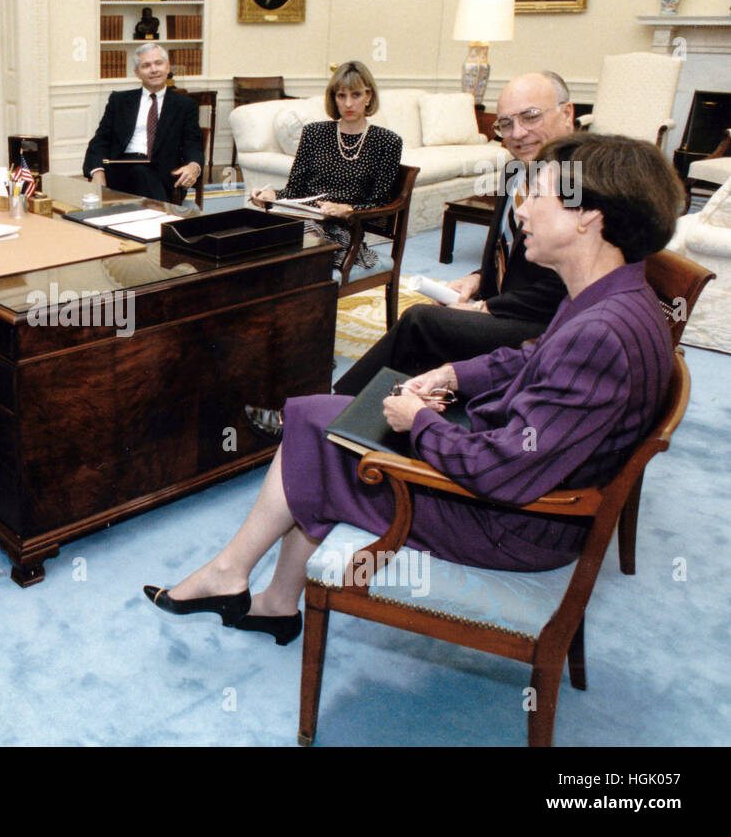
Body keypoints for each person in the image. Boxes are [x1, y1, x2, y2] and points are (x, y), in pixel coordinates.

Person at [145, 133, 681, 646]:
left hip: (510, 523)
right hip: (522, 493)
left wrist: (418, 423)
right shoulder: (611, 295)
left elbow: (504, 470)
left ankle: (235, 577)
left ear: (589, 216)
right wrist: (452, 375)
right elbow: (532, 357)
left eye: (536, 194)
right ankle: (269, 597)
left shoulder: (600, 334)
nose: (520, 210)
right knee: (315, 414)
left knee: (316, 434)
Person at [329, 71, 575, 399]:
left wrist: (485, 309)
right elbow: (508, 249)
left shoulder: (576, 178)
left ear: (567, 113)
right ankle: (376, 414)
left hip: (548, 327)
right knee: (425, 335)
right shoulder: (515, 169)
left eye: (530, 117)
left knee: (421, 321)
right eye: (505, 124)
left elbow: (569, 284)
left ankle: (337, 409)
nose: (518, 134)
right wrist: (476, 279)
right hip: (505, 305)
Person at [243, 61, 402, 436]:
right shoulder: (315, 134)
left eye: (356, 94)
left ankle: (304, 350)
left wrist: (349, 209)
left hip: (349, 232)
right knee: (261, 230)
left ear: (369, 96)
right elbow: (295, 188)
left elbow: (382, 201)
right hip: (306, 217)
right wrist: (271, 194)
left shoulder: (386, 141)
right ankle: (275, 336)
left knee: (297, 243)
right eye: (341, 95)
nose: (348, 102)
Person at [82, 43, 203, 204]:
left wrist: (193, 166)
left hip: (163, 173)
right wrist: (97, 172)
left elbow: (193, 142)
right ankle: (163, 218)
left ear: (168, 67)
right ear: (137, 73)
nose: (154, 70)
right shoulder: (119, 101)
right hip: (121, 170)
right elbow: (100, 140)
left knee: (141, 173)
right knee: (139, 171)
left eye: (158, 63)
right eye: (146, 65)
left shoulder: (185, 105)